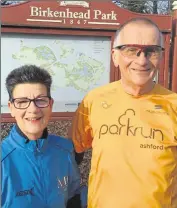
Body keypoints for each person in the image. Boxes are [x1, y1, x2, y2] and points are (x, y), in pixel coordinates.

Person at [71, 17, 177, 207]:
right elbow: (74, 154)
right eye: (131, 50)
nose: (142, 60)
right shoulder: (93, 100)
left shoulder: (174, 105)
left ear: (160, 56)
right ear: (114, 56)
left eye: (151, 51)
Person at [1, 65, 87, 208]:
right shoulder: (3, 160)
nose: (33, 109)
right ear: (11, 108)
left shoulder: (65, 150)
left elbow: (75, 195)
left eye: (40, 100)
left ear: (50, 105)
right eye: (22, 102)